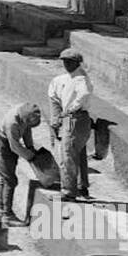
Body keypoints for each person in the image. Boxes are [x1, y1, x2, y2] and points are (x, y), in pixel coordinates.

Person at [47, 47, 93, 201]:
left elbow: (84, 95)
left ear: (77, 63)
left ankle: (68, 191)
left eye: (70, 62)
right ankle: (81, 186)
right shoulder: (62, 79)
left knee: (68, 155)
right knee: (77, 153)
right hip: (70, 118)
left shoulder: (81, 78)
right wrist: (57, 117)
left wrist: (69, 110)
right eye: (65, 61)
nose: (66, 64)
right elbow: (53, 96)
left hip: (76, 118)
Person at [0, 102, 43, 226]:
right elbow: (14, 146)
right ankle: (7, 215)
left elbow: (27, 130)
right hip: (3, 147)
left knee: (5, 179)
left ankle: (2, 211)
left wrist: (30, 146)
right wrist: (30, 156)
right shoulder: (12, 123)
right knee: (10, 180)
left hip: (9, 146)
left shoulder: (26, 112)